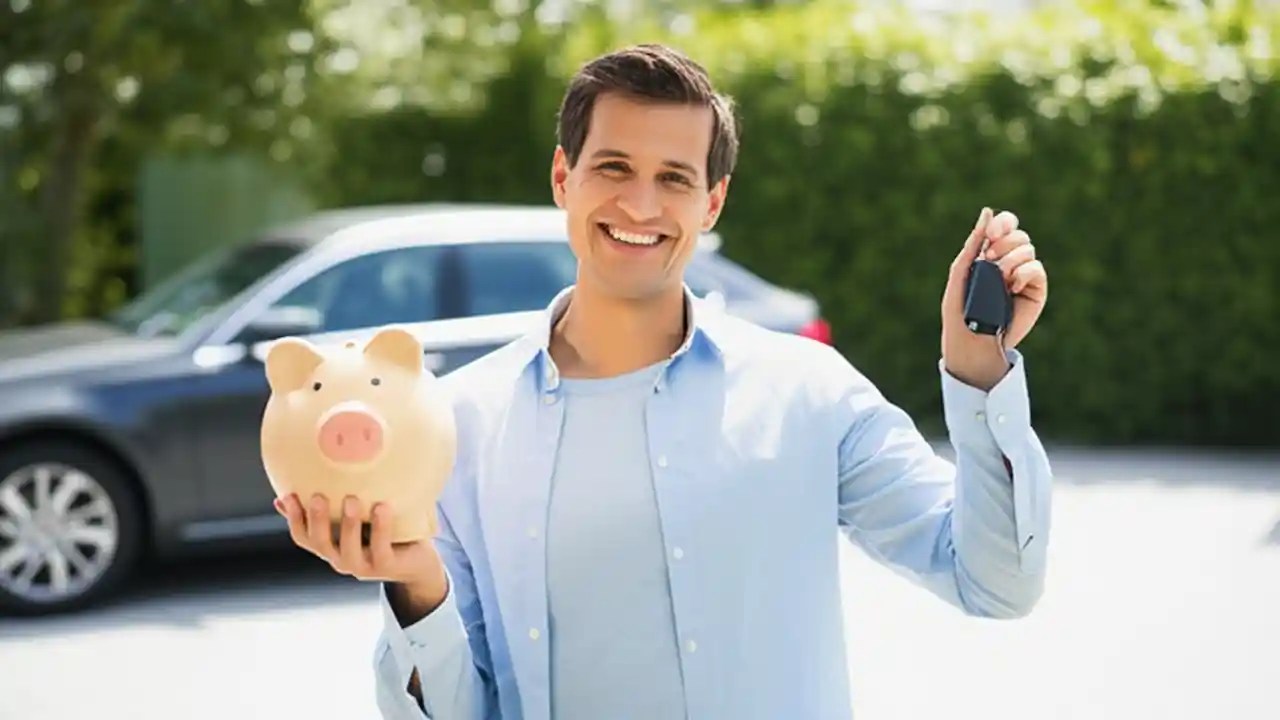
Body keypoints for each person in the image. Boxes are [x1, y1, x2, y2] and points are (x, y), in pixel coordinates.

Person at [275, 43, 1053, 720]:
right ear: (562, 177)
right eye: (613, 167)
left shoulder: (808, 392)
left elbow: (994, 581)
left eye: (674, 178)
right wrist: (415, 586)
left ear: (711, 202)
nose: (640, 204)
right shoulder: (459, 425)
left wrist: (975, 365)